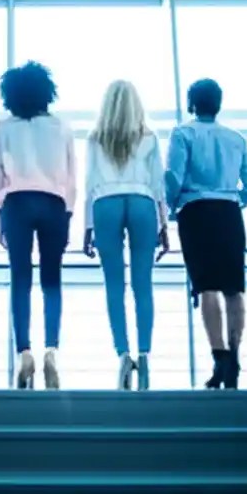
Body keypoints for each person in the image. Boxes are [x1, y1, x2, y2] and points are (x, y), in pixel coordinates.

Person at [165, 78, 247, 390]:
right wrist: (235, 201)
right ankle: (234, 357)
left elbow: (173, 178)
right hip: (229, 213)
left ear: (192, 103)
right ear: (218, 104)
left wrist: (172, 207)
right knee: (234, 288)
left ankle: (219, 357)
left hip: (196, 212)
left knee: (206, 287)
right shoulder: (236, 138)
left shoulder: (183, 133)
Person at [0, 62, 76, 390]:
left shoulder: (5, 128)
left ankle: (24, 351)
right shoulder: (61, 128)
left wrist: (0, 216)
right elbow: (71, 178)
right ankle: (51, 351)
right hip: (54, 204)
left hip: (16, 204)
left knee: (20, 280)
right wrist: (67, 215)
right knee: (52, 280)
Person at [82, 80, 169, 391]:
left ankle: (123, 353)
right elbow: (159, 185)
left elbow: (90, 185)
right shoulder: (148, 138)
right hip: (143, 203)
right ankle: (144, 354)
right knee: (143, 284)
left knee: (114, 285)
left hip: (105, 204)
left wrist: (87, 227)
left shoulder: (95, 139)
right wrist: (164, 225)